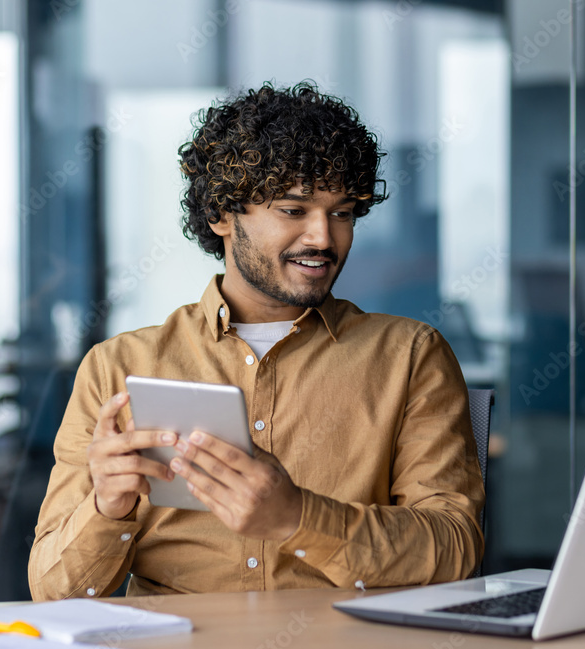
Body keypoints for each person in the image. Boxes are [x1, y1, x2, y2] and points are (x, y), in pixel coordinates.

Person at [29, 81, 485, 599]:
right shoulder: (118, 367)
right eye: (294, 210)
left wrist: (297, 518)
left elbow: (455, 548)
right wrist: (107, 509)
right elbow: (53, 593)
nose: (323, 238)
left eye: (342, 213)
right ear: (221, 215)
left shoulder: (409, 355)